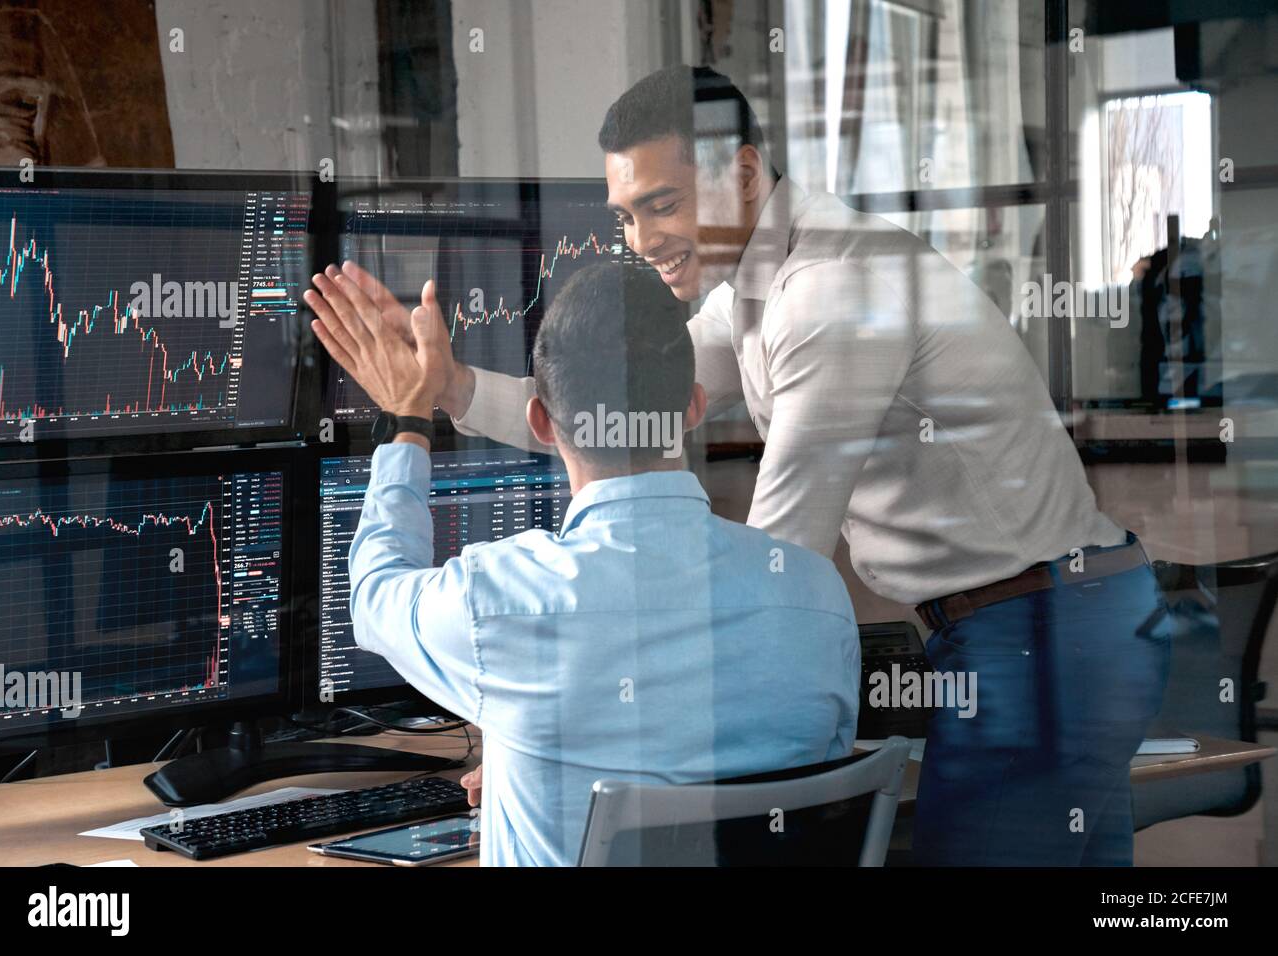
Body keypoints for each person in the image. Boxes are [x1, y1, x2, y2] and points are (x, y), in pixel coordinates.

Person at [346, 64, 1169, 866]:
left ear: (742, 173)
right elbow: (618, 404)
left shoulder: (826, 293)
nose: (641, 241)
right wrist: (448, 387)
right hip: (1052, 619)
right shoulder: (759, 288)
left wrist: (557, 739)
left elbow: (768, 580)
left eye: (661, 205)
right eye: (626, 216)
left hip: (1041, 635)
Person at [303, 261, 860, 866]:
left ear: (539, 420)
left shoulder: (497, 604)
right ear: (694, 407)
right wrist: (535, 756)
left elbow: (376, 593)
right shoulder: (817, 594)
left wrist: (409, 417)